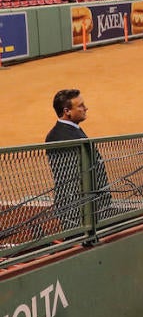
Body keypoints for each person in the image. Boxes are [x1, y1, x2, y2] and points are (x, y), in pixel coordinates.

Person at [45, 89, 111, 224]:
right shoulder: (62, 136)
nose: (85, 108)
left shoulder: (70, 130)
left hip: (84, 205)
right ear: (67, 111)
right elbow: (74, 176)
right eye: (80, 106)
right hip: (77, 209)